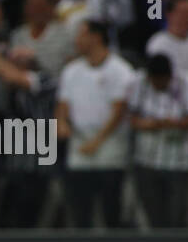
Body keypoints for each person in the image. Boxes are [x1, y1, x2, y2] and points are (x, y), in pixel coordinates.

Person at [56, 20, 135, 228]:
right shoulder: (71, 71)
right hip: (80, 139)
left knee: (111, 206)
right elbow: (63, 104)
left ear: (96, 37)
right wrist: (62, 122)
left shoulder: (120, 70)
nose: (77, 40)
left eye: (81, 35)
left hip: (110, 140)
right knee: (80, 206)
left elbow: (119, 110)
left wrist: (98, 141)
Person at [126, 53, 188, 228]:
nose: (158, 85)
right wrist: (150, 124)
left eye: (162, 81)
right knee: (152, 215)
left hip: (178, 161)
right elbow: (131, 118)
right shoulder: (139, 82)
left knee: (177, 216)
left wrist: (174, 123)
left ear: (170, 76)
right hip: (146, 159)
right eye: (155, 81)